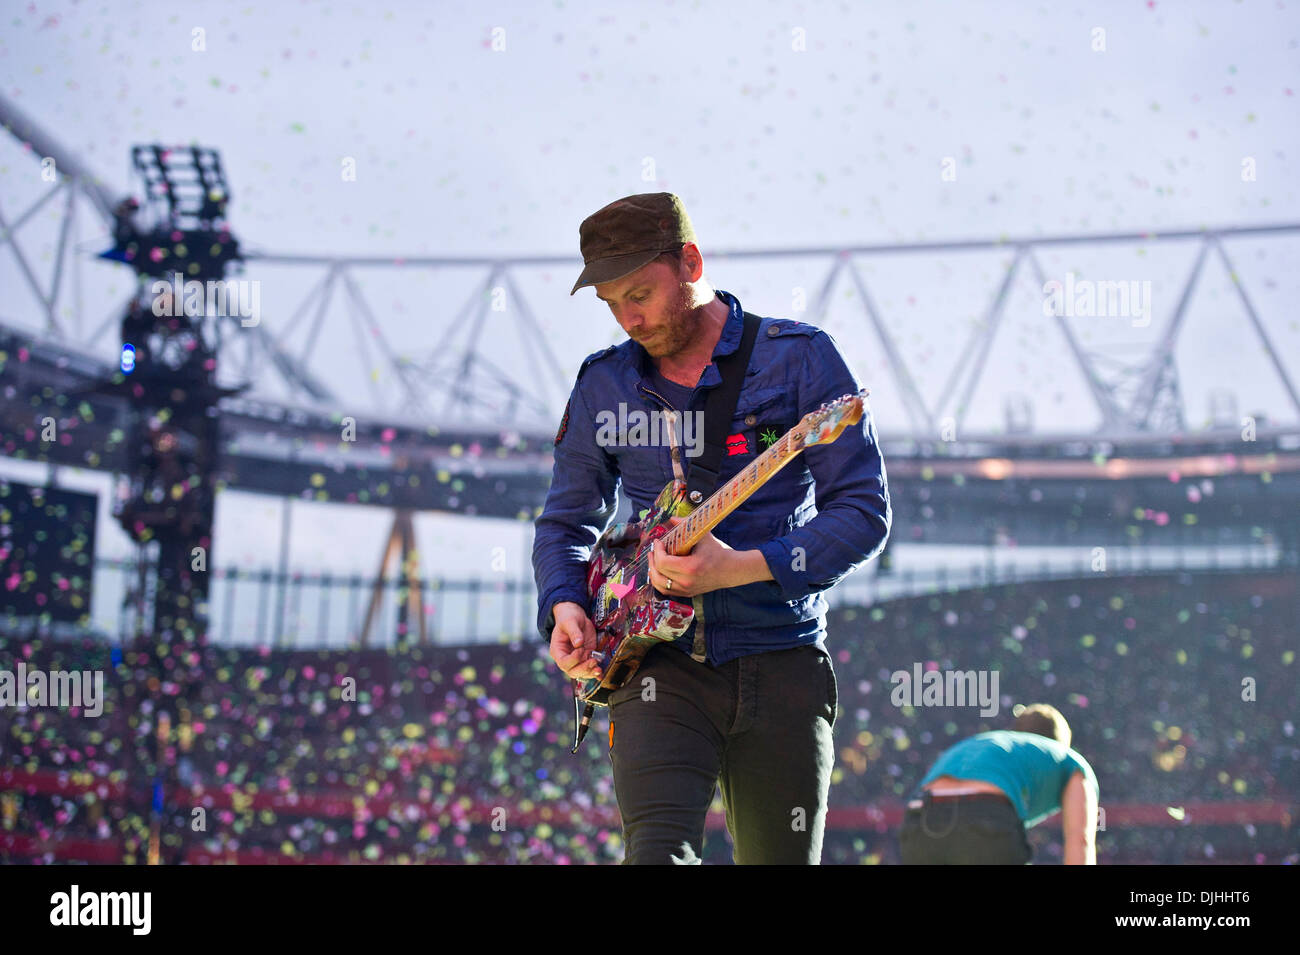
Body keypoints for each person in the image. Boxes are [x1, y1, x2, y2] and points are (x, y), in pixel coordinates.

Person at [531, 192, 891, 864]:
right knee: (656, 854)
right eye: (612, 302)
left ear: (691, 261)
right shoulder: (601, 386)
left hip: (782, 659)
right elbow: (565, 520)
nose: (627, 317)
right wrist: (565, 605)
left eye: (640, 292)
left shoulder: (801, 361)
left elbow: (864, 509)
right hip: (654, 666)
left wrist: (746, 564)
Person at [899, 703, 1100, 864]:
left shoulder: (987, 743)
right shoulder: (1069, 761)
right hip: (984, 824)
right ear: (1061, 743)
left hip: (919, 823)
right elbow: (1079, 840)